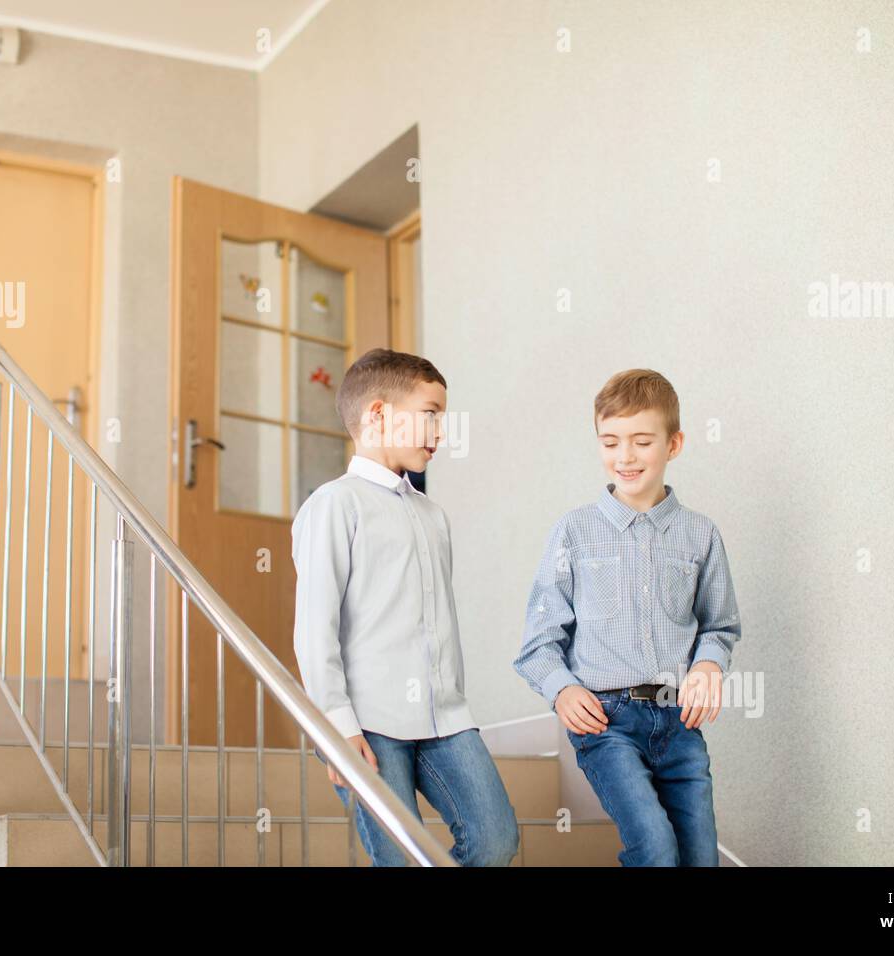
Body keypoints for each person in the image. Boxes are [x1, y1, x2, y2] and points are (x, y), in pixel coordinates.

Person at [291, 347, 518, 866]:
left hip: (447, 719)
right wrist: (338, 726)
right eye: (430, 415)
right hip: (369, 720)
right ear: (377, 415)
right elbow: (314, 630)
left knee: (496, 839)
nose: (440, 434)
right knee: (403, 856)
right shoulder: (333, 505)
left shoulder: (433, 516)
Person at [513, 368, 741, 866]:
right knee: (654, 848)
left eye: (641, 441)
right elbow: (539, 642)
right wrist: (563, 689)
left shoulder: (700, 535)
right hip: (607, 722)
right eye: (611, 441)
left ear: (673, 444)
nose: (625, 456)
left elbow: (719, 626)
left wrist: (707, 667)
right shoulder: (574, 531)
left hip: (679, 719)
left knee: (699, 859)